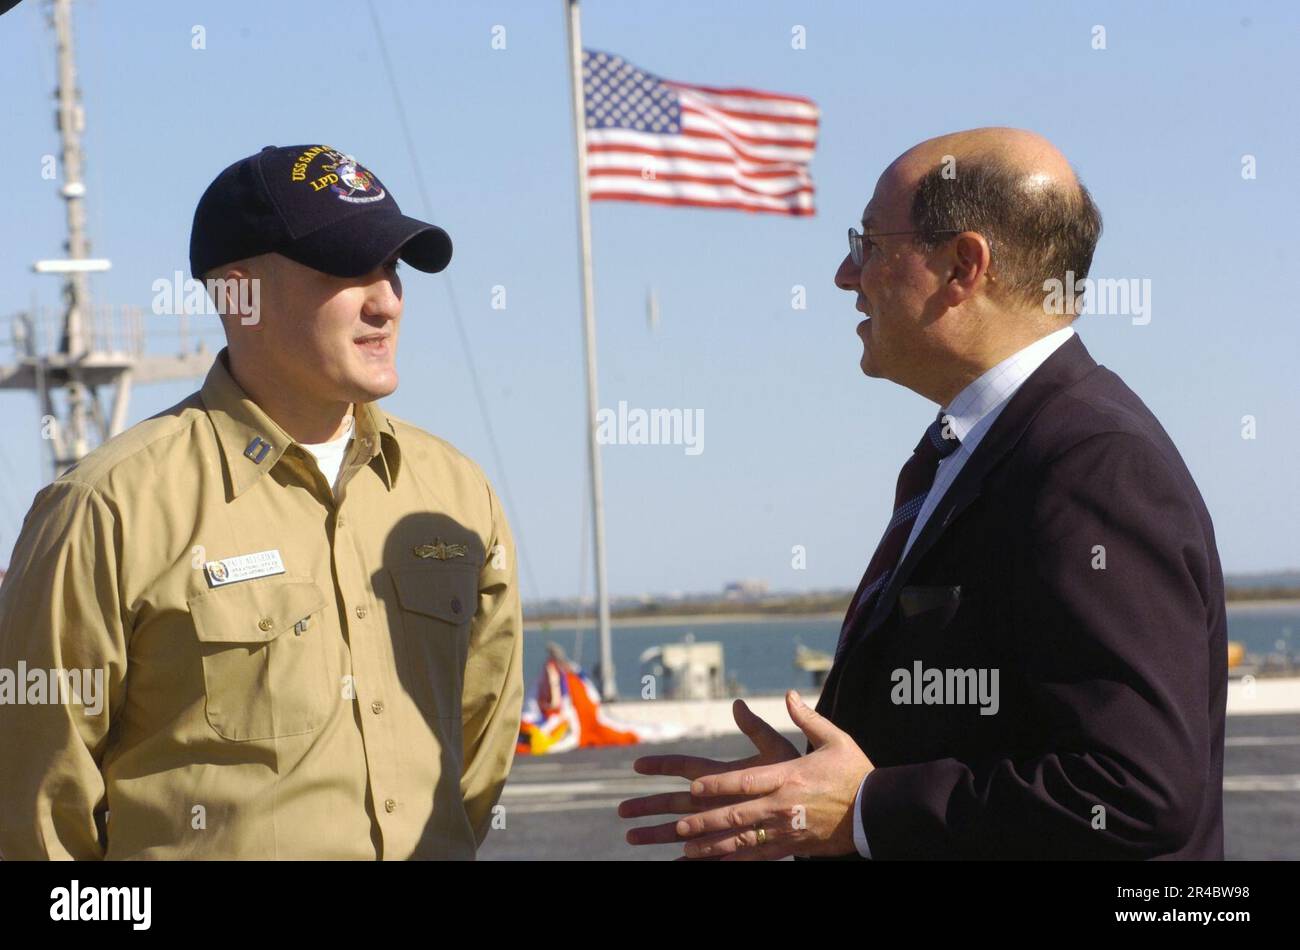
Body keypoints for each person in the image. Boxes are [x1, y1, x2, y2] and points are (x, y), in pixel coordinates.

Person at [619, 127, 1226, 860]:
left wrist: (867, 810)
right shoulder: (991, 448)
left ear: (963, 266)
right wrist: (802, 792)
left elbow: (1137, 791)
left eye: (869, 242)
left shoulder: (1092, 463)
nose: (847, 274)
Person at [0, 144, 523, 859]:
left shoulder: (458, 497)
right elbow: (36, 812)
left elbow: (475, 756)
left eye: (393, 270)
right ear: (239, 292)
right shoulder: (106, 509)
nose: (387, 301)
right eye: (348, 269)